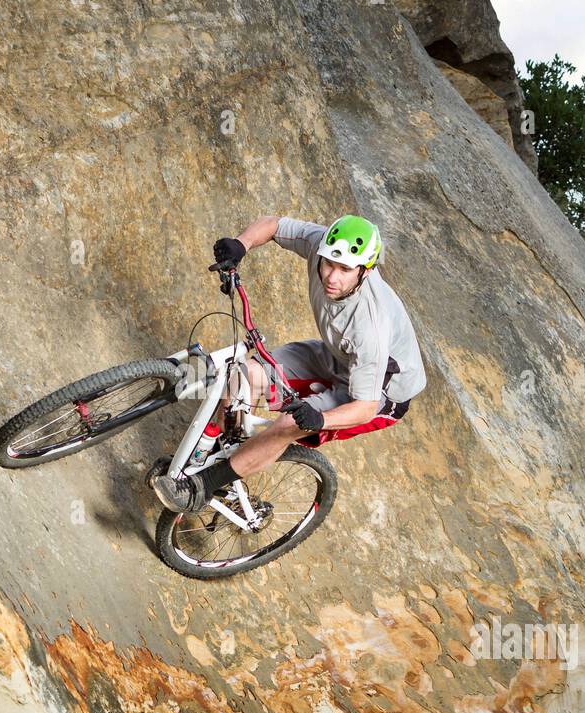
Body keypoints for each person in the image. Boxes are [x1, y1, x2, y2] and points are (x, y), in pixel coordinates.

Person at [152, 214, 428, 513]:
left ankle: (203, 487)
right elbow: (276, 225)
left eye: (345, 270)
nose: (332, 277)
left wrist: (319, 419)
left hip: (379, 393)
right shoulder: (322, 245)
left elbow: (364, 407)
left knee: (289, 424)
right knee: (243, 376)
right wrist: (240, 244)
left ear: (365, 270)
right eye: (328, 264)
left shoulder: (370, 326)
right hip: (339, 357)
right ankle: (203, 453)